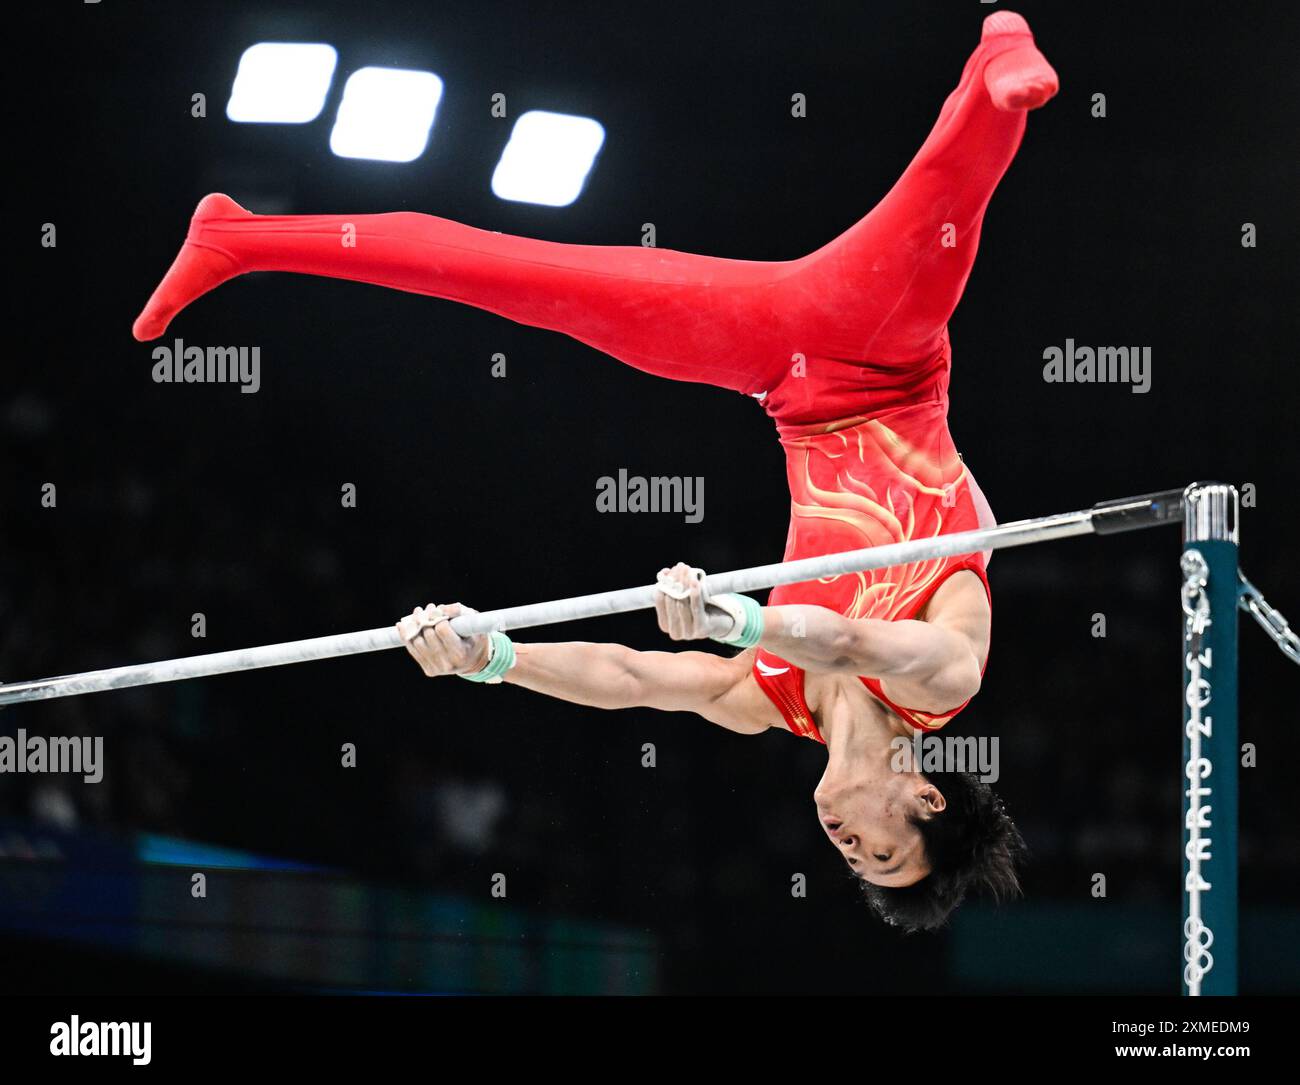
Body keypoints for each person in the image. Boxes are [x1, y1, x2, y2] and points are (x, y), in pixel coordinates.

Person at [135, 11, 1057, 930]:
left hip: (781, 370)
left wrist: (492, 655)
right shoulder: (945, 682)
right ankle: (995, 64)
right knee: (947, 200)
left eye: (855, 861)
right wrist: (742, 615)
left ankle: (244, 238)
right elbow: (858, 644)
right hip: (884, 362)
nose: (847, 843)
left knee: (524, 278)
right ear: (925, 798)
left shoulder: (763, 698)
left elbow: (626, 675)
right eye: (879, 847)